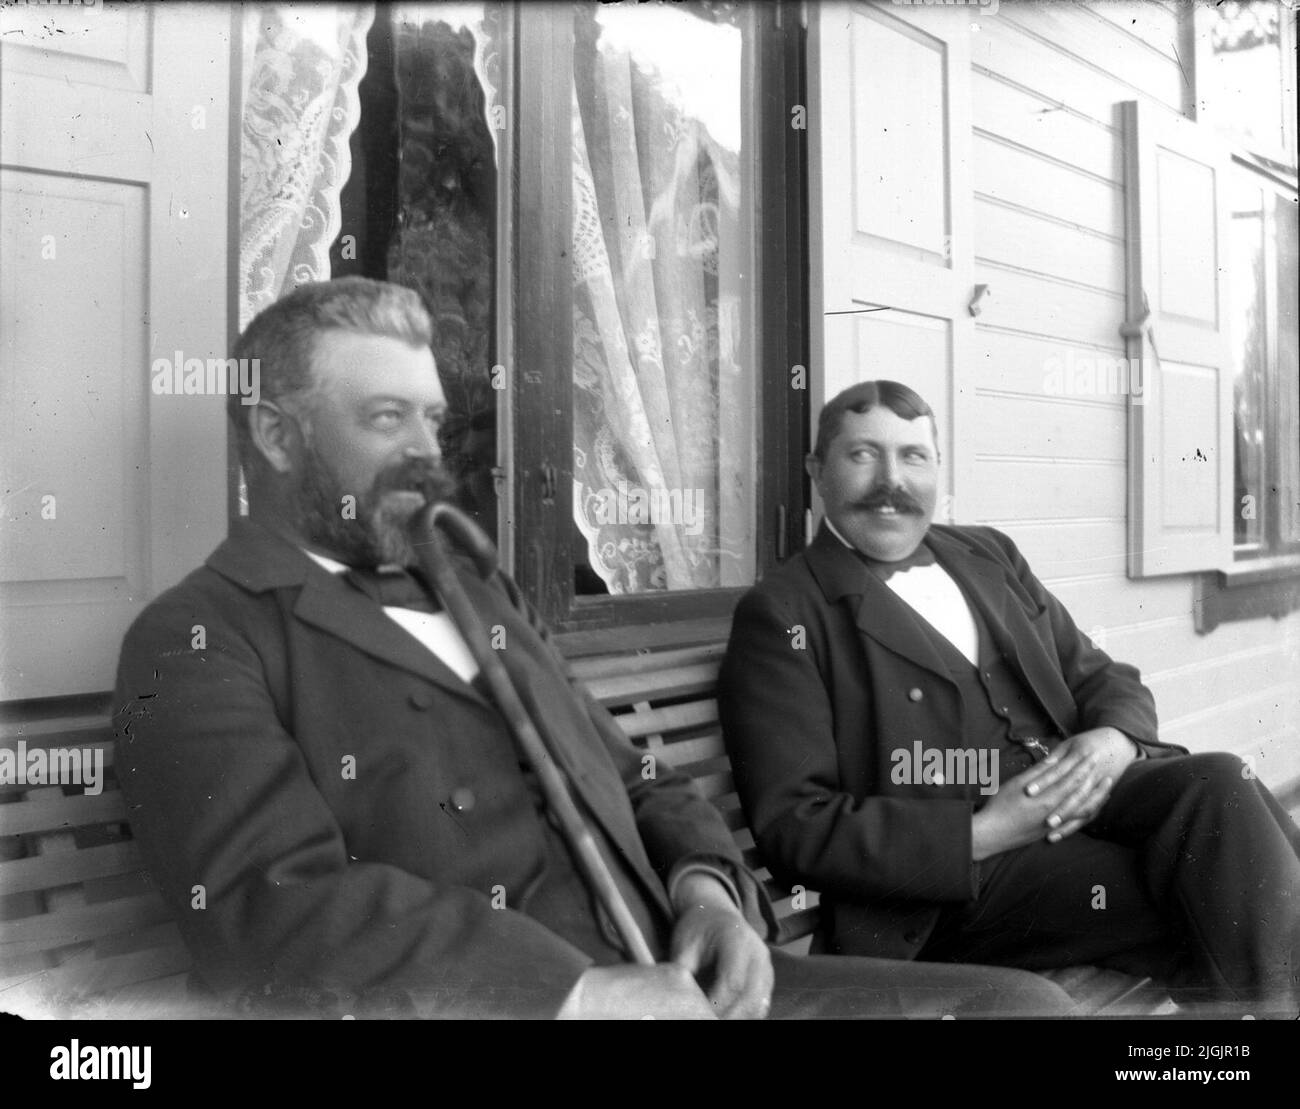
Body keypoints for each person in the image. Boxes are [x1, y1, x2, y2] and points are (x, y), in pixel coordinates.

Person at [113, 282, 1071, 1020]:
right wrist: (572, 994)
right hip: (522, 1009)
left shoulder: (474, 591)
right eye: (384, 418)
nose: (425, 452)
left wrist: (712, 895)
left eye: (434, 419)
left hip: (689, 978)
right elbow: (261, 909)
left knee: (1026, 1011)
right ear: (277, 435)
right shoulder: (201, 637)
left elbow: (639, 777)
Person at [718, 379, 1300, 1018]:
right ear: (816, 470)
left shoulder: (985, 553)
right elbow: (794, 824)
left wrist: (1114, 742)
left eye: (914, 456)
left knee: (1220, 783)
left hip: (1077, 797)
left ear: (937, 468)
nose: (892, 481)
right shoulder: (783, 612)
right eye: (863, 455)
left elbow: (1101, 676)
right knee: (1222, 884)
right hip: (958, 885)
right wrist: (984, 831)